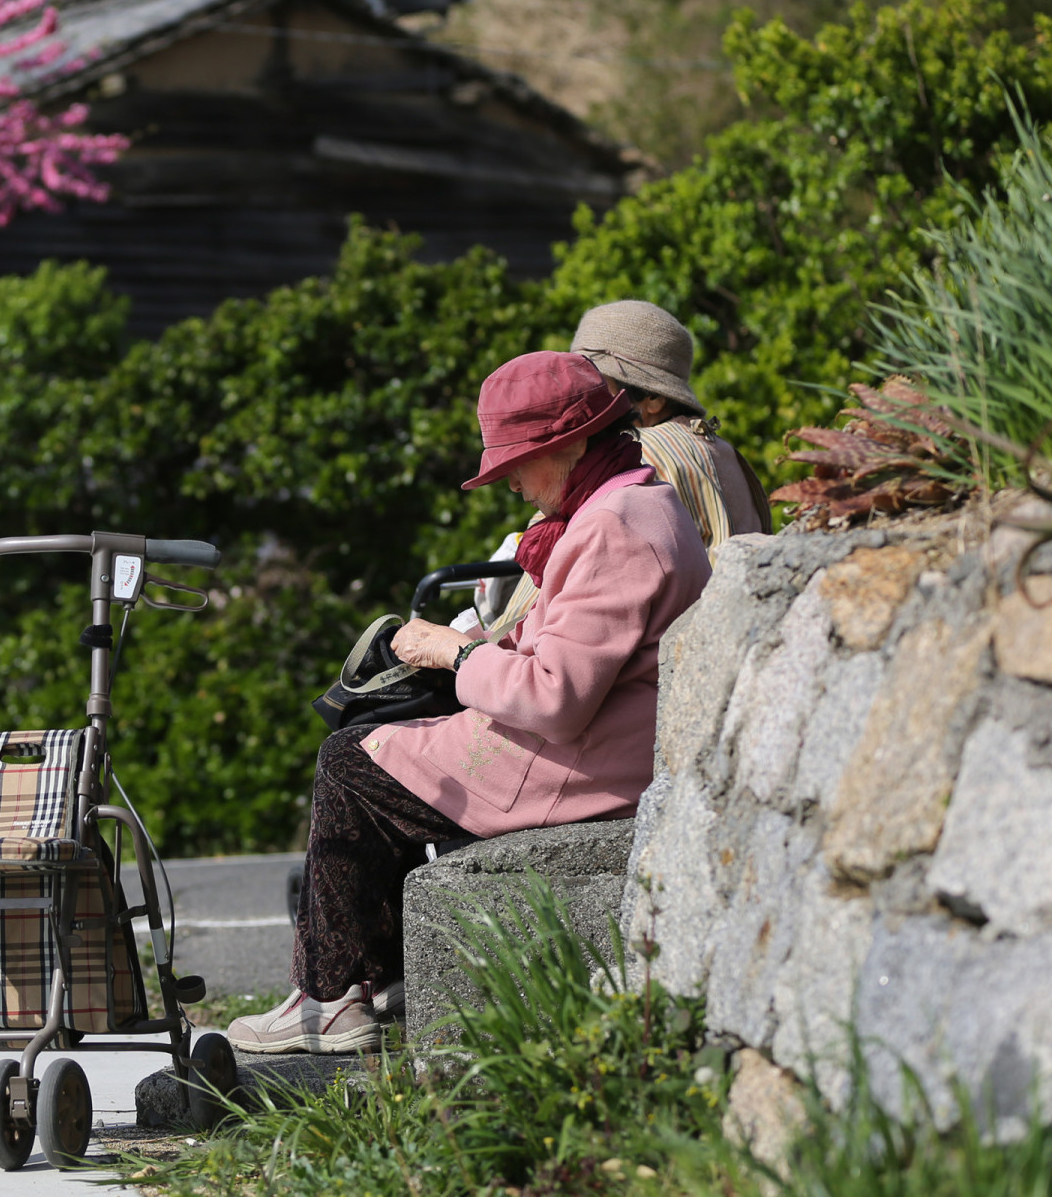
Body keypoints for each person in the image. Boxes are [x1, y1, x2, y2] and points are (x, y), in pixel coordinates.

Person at [227, 352, 711, 1055]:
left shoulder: (612, 526)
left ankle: (328, 994)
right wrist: (488, 646)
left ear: (572, 444)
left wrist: (455, 654)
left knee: (349, 758)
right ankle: (376, 976)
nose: (510, 482)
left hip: (585, 762)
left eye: (518, 461)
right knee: (386, 745)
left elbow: (557, 696)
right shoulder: (637, 499)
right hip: (609, 746)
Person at [464, 300, 770, 640]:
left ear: (653, 399)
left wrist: (467, 654)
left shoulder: (632, 455)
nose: (582, 392)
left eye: (595, 380)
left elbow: (534, 625)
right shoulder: (721, 449)